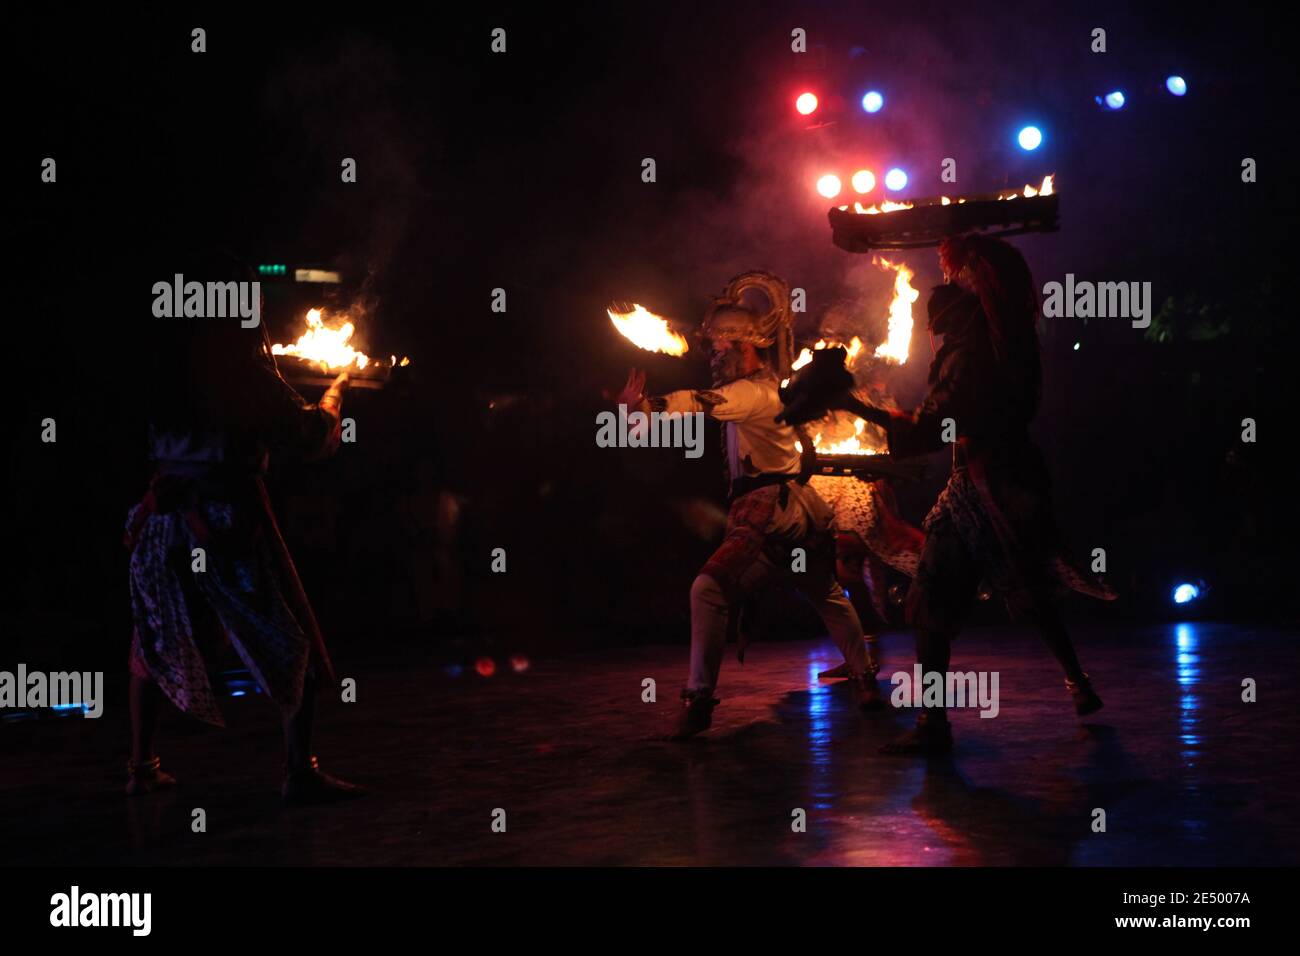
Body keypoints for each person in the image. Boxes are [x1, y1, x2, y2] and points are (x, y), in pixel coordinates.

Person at [801, 235, 1114, 754]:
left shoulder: (968, 357)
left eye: (943, 313)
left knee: (939, 598)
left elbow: (930, 426)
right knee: (1016, 589)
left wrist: (854, 407)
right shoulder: (1013, 341)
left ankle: (934, 723)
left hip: (986, 486)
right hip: (1005, 478)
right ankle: (1073, 685)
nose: (935, 324)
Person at [124, 251, 365, 803]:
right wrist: (336, 395)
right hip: (219, 520)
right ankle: (298, 771)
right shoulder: (240, 372)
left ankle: (140, 767)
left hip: (162, 521)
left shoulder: (168, 367)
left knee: (150, 641)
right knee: (290, 641)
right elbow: (309, 435)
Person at [615, 299, 880, 740]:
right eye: (711, 351)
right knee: (826, 593)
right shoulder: (757, 389)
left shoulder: (752, 393)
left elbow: (696, 402)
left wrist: (644, 408)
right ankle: (866, 680)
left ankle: (699, 702)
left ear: (746, 347)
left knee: (708, 588)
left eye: (721, 348)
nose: (714, 357)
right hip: (797, 516)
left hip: (772, 515)